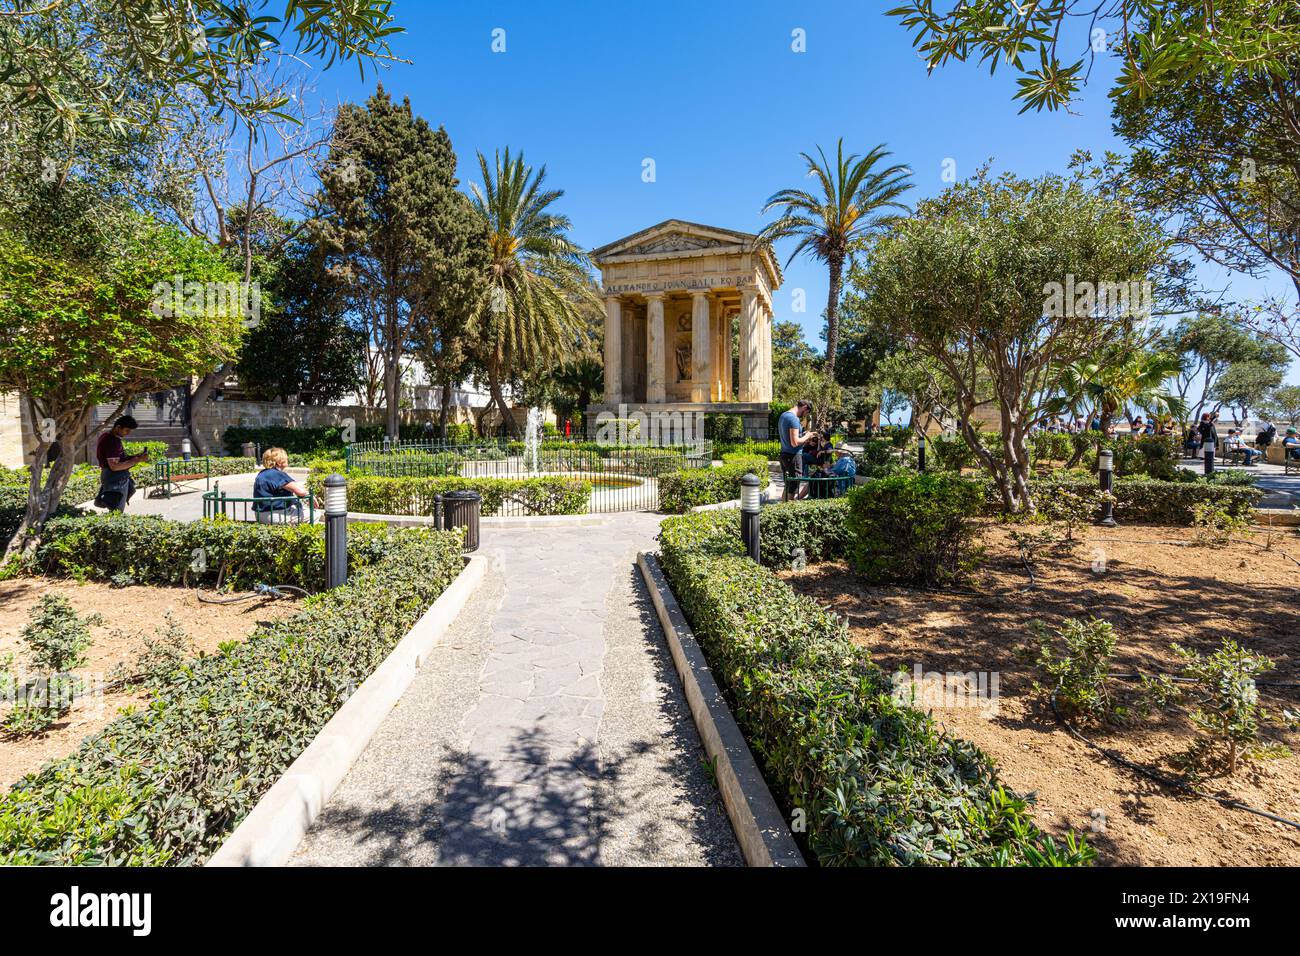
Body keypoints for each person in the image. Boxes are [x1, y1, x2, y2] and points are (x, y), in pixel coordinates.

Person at [94, 415, 148, 512]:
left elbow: (119, 460)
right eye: (127, 430)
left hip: (111, 476)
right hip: (115, 478)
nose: (128, 433)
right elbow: (114, 466)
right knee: (117, 510)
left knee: (115, 508)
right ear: (118, 427)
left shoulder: (106, 436)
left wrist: (136, 457)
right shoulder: (111, 441)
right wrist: (136, 460)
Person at [253, 447, 310, 523]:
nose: (287, 459)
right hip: (275, 514)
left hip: (261, 514)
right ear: (279, 462)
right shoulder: (276, 474)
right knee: (314, 514)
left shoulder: (263, 473)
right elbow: (300, 492)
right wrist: (310, 495)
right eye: (286, 458)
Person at [778, 399, 814, 502]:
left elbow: (791, 439)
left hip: (785, 454)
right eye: (807, 412)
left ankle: (782, 509)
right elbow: (795, 442)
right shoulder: (793, 419)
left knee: (788, 485)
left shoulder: (783, 415)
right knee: (793, 486)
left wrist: (803, 437)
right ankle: (789, 511)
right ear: (805, 407)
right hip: (793, 456)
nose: (805, 415)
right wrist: (807, 435)